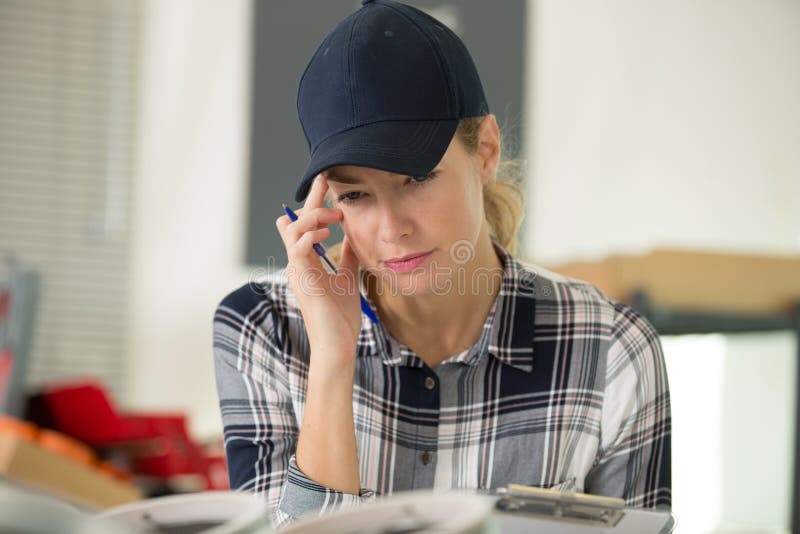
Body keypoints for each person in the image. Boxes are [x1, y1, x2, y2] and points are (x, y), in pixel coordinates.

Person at [213, 0, 671, 527]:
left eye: (418, 179)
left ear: (486, 151)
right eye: (356, 195)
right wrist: (333, 361)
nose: (392, 229)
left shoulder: (613, 349)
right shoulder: (263, 328)